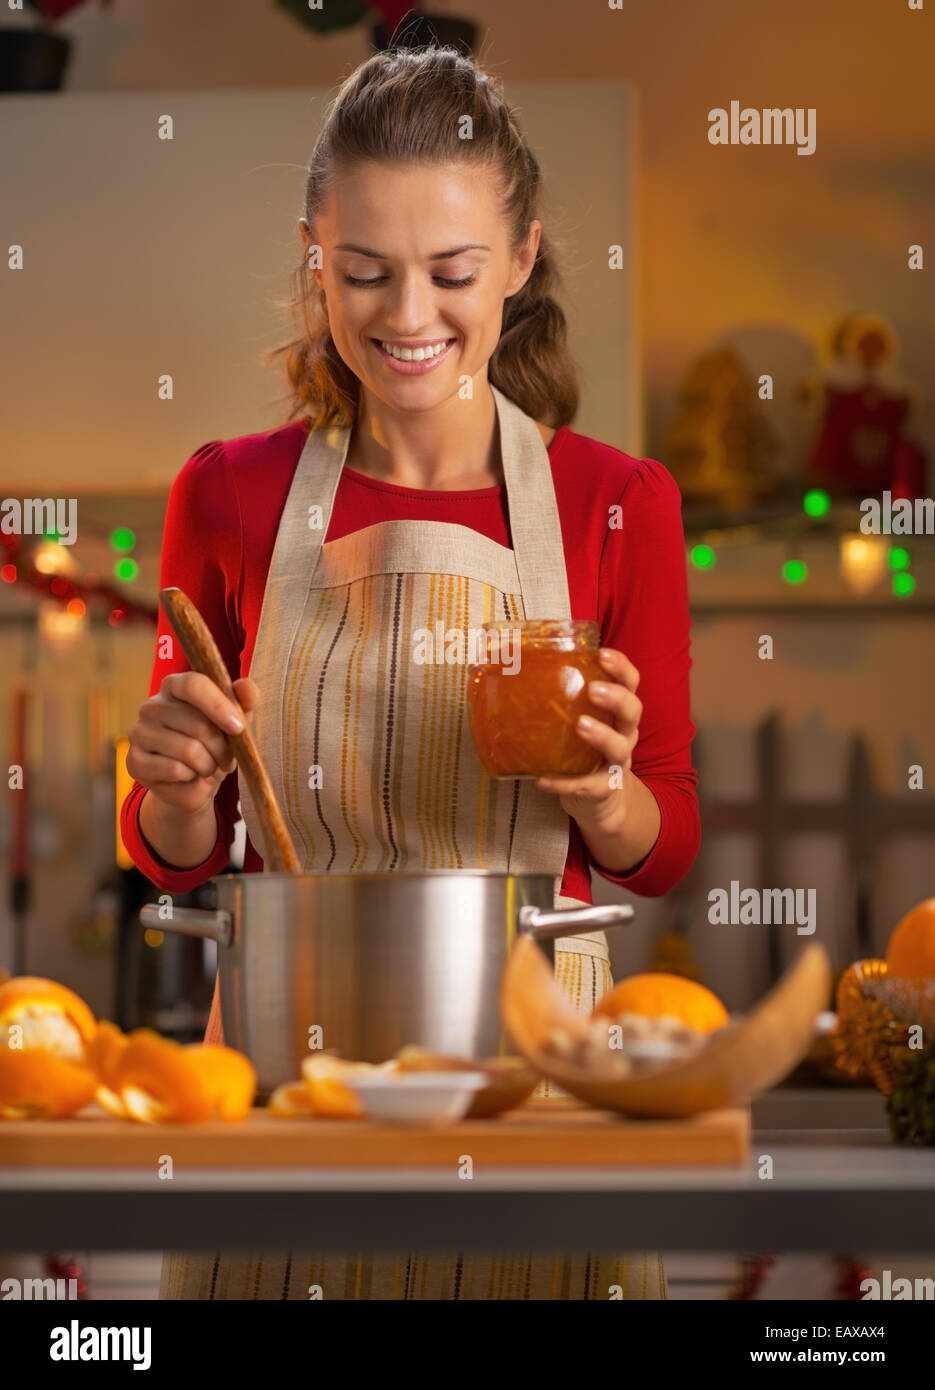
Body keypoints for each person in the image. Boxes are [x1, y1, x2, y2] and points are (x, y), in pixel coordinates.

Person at [121, 44, 700, 1300]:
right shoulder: (227, 494)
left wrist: (604, 794)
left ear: (523, 257)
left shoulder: (616, 502)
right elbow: (180, 848)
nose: (406, 317)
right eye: (364, 272)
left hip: (538, 1083)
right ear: (313, 250)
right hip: (291, 1074)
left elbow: (661, 843)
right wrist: (169, 787)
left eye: (451, 273)